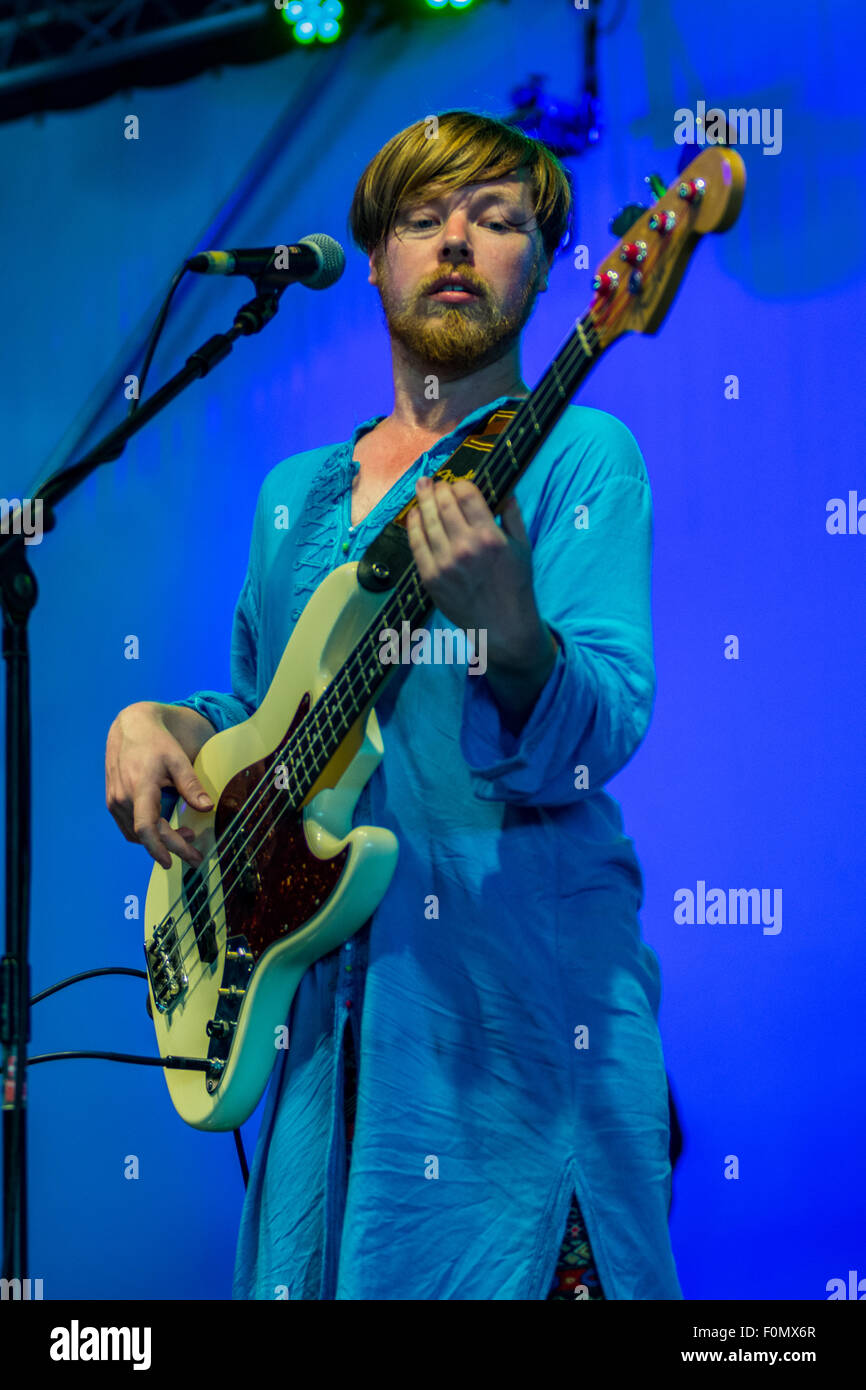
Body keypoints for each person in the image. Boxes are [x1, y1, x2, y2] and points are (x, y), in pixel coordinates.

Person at [105, 108, 683, 1300]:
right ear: (373, 258)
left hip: (511, 1043)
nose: (457, 243)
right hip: (322, 1049)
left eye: (496, 219)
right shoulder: (291, 496)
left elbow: (601, 728)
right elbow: (261, 716)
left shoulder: (580, 456)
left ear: (544, 261)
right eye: (423, 220)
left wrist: (510, 629)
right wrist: (159, 721)